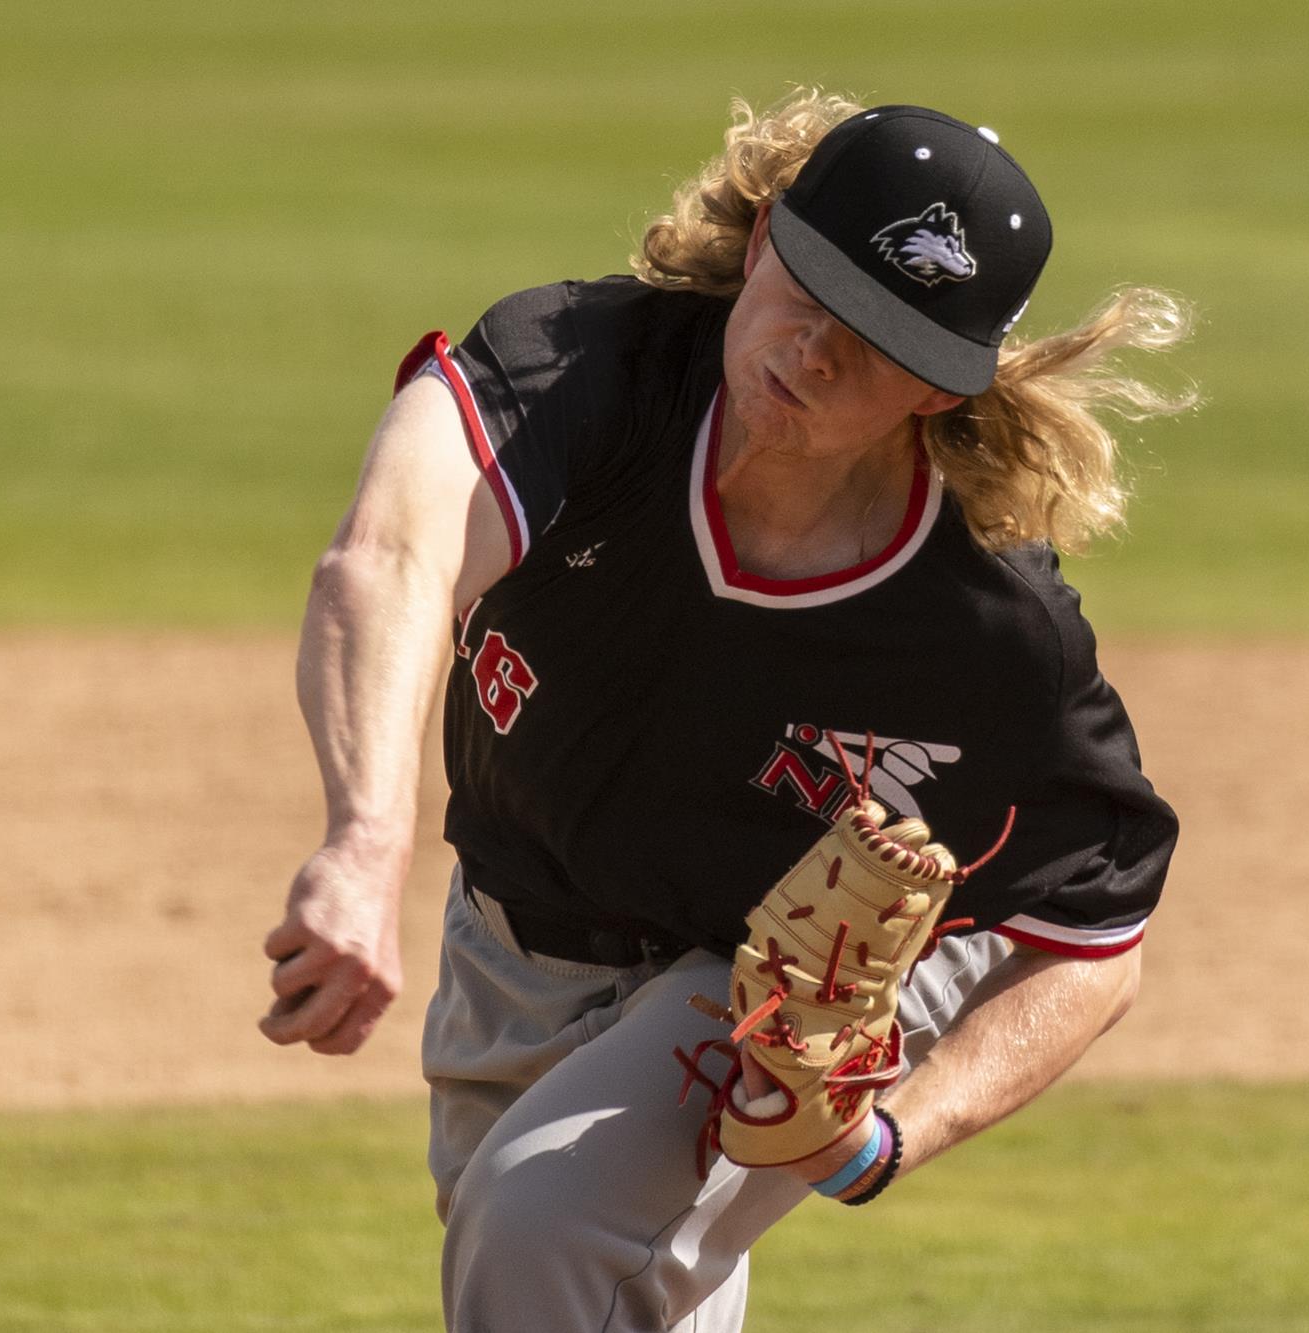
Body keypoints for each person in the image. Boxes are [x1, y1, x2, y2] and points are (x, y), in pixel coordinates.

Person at [260, 89, 1191, 1331]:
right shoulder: (580, 371)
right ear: (758, 242)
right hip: (511, 932)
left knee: (535, 1218)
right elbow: (389, 558)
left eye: (874, 339)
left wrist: (886, 1141)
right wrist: (362, 841)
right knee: (594, 1278)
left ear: (935, 388)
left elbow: (1092, 934)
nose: (811, 351)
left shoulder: (983, 631)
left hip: (751, 979)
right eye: (808, 293)